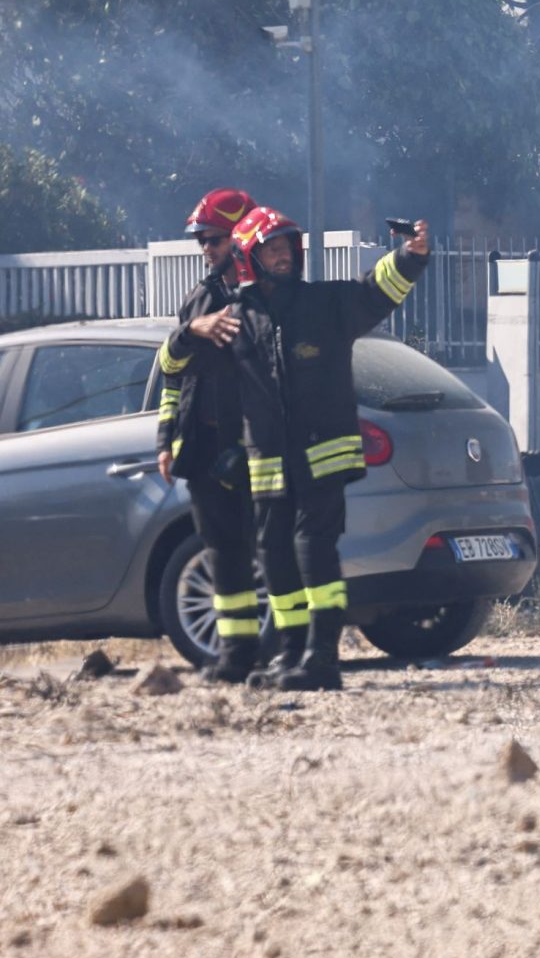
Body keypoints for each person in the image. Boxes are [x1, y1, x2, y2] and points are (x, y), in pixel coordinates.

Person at [227, 205, 431, 691]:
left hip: (324, 453)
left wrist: (410, 256)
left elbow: (374, 291)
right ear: (249, 259)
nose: (282, 257)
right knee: (273, 554)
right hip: (269, 462)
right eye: (271, 249)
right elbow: (197, 374)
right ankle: (290, 653)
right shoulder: (237, 320)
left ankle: (323, 657)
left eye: (286, 249)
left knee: (312, 549)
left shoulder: (323, 305)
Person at [152, 187, 261, 681]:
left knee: (270, 555)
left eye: (214, 239)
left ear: (240, 239)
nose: (206, 250)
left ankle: (286, 653)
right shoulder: (198, 300)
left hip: (256, 449)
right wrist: (164, 441)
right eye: (203, 241)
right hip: (203, 451)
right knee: (222, 554)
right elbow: (170, 371)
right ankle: (235, 657)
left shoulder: (266, 297)